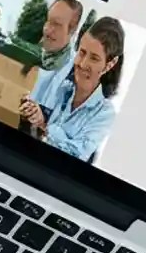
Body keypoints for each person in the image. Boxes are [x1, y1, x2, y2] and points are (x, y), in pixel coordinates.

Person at [19, 16, 124, 162]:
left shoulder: (104, 113)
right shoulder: (63, 88)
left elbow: (76, 154)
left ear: (109, 64)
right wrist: (32, 111)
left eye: (94, 58)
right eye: (82, 52)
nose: (82, 63)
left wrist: (45, 124)